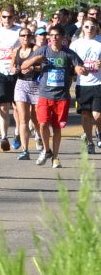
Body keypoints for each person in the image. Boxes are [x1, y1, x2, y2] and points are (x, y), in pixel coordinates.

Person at [33, 24, 81, 168]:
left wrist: (79, 69)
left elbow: (78, 66)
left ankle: (55, 157)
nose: (54, 38)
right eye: (51, 35)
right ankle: (46, 150)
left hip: (62, 97)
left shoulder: (68, 53)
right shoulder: (43, 51)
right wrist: (33, 61)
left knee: (57, 128)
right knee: (42, 124)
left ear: (62, 37)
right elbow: (24, 65)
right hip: (45, 94)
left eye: (57, 35)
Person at [0, 8, 22, 151]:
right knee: (3, 105)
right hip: (0, 70)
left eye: (9, 17)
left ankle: (18, 133)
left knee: (17, 106)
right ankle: (4, 137)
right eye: (4, 17)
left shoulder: (20, 31)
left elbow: (25, 49)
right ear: (0, 18)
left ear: (14, 18)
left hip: (15, 71)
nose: (6, 20)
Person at [12, 26, 43, 161]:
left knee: (36, 118)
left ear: (31, 37)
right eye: (23, 35)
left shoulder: (36, 49)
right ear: (19, 37)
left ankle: (39, 136)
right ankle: (25, 150)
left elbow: (43, 66)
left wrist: (31, 67)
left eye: (27, 35)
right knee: (23, 118)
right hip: (21, 84)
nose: (25, 38)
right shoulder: (16, 51)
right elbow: (11, 66)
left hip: (35, 85)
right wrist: (15, 69)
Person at [70, 16, 101, 154]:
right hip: (82, 84)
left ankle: (99, 132)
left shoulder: (100, 42)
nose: (89, 29)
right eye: (87, 26)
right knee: (85, 115)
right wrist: (76, 68)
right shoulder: (76, 44)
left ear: (97, 28)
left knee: (97, 115)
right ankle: (89, 141)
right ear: (82, 27)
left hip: (98, 83)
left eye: (92, 27)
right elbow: (69, 62)